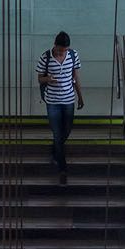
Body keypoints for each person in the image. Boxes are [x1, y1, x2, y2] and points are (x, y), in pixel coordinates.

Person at [36, 30, 84, 178]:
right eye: (60, 49)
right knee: (57, 133)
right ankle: (62, 168)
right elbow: (39, 79)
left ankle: (55, 149)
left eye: (65, 50)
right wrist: (48, 79)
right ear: (55, 45)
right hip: (53, 101)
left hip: (68, 99)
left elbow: (75, 77)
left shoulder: (73, 55)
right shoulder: (46, 57)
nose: (62, 52)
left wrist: (80, 97)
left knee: (67, 130)